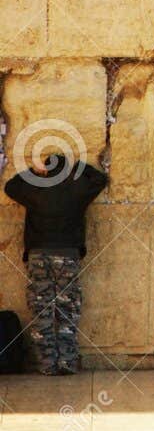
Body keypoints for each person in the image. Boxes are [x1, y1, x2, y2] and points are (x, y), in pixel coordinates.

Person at [4, 152, 107, 375]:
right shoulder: (76, 191)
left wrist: (34, 171)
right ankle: (67, 362)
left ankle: (47, 364)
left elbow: (11, 187)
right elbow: (100, 179)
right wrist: (76, 165)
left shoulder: (35, 190)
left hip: (39, 256)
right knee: (68, 310)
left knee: (41, 311)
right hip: (68, 255)